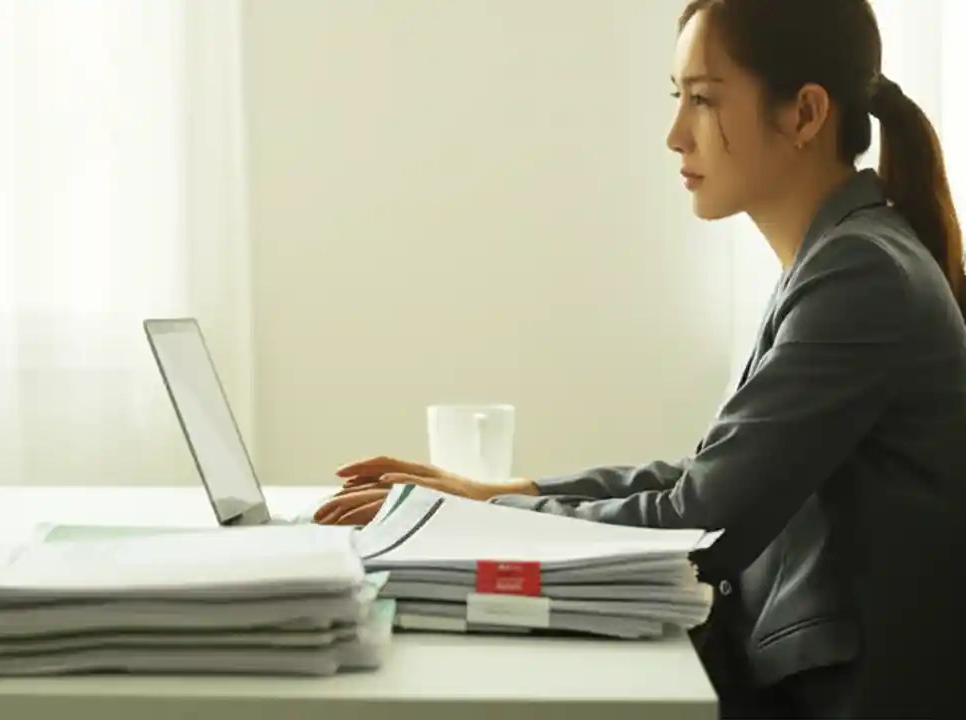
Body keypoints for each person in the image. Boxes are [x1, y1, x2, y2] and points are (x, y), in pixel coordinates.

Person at [314, 1, 966, 718]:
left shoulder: (858, 275)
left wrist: (485, 516)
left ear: (806, 114)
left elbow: (701, 519)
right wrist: (491, 493)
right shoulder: (842, 256)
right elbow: (708, 479)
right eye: (676, 97)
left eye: (703, 99)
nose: (674, 134)